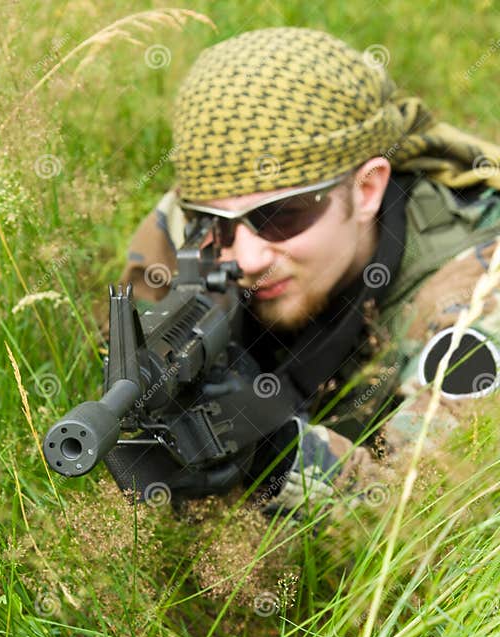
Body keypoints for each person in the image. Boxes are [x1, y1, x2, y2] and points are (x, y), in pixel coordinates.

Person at [117, 27, 500, 513]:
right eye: (216, 220)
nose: (248, 258)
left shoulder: (476, 297)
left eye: (281, 214)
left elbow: (426, 510)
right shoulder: (187, 224)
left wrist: (273, 455)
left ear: (365, 189)